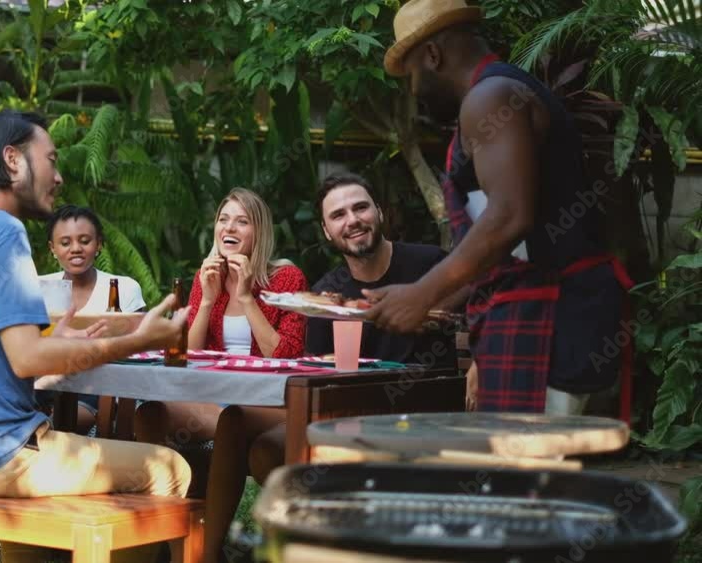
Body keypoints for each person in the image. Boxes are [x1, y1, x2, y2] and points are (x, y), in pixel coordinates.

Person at [0, 110, 192, 563]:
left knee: (54, 469)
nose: (57, 177)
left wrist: (68, 338)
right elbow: (27, 359)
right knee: (170, 468)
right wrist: (139, 339)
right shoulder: (2, 229)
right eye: (51, 159)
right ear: (13, 160)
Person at [367, 0, 631, 417]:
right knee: (522, 476)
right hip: (542, 310)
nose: (413, 89)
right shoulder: (497, 94)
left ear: (433, 55)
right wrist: (433, 303)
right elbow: (510, 246)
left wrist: (422, 292)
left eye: (412, 74)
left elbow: (509, 216)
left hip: (551, 320)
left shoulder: (491, 98)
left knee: (532, 474)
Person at [134, 187, 307, 563]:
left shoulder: (286, 278)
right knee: (149, 413)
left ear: (258, 232)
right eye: (224, 219)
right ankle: (172, 542)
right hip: (215, 396)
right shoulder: (205, 277)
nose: (230, 227)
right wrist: (209, 298)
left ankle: (207, 555)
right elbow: (189, 355)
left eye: (242, 221)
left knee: (233, 419)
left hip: (269, 400)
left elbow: (286, 354)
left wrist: (245, 297)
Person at [305, 172, 456, 369]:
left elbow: (486, 306)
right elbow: (320, 372)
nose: (352, 221)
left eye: (360, 208)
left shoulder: (431, 263)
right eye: (338, 215)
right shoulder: (325, 296)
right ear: (326, 231)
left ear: (379, 212)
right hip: (356, 398)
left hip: (435, 394)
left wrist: (478, 365)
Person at [39, 204, 147, 433]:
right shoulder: (39, 289)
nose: (75, 249)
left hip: (100, 386)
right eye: (65, 243)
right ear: (52, 248)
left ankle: (43, 430)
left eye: (85, 241)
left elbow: (140, 349)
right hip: (44, 384)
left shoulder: (123, 289)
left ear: (99, 244)